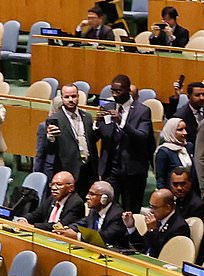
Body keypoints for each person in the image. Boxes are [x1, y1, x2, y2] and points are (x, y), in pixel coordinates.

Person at [98, 76, 155, 211]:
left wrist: (122, 123)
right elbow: (101, 136)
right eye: (113, 91)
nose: (114, 94)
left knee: (130, 210)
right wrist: (96, 124)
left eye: (118, 91)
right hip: (111, 169)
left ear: (128, 90)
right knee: (106, 208)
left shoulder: (143, 111)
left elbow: (142, 137)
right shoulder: (108, 107)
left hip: (132, 170)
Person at [37, 85, 98, 190]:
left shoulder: (87, 117)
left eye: (74, 96)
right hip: (68, 171)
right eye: (67, 97)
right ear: (62, 98)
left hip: (88, 169)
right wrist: (50, 138)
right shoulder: (55, 119)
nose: (71, 100)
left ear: (78, 97)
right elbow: (49, 151)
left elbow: (92, 143)